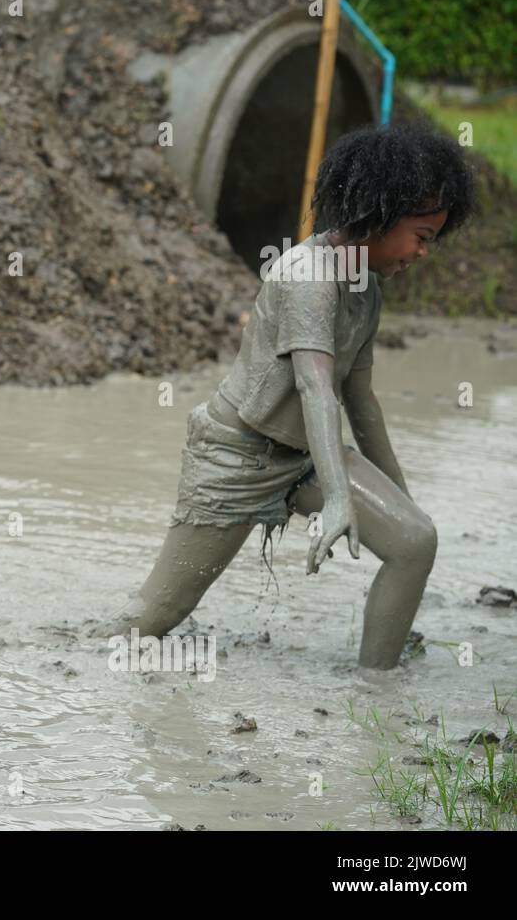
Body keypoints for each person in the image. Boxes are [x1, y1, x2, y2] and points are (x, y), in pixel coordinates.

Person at [101, 123, 475, 670]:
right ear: (378, 214)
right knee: (155, 617)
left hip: (306, 457)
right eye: (421, 235)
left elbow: (360, 397)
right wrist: (341, 499)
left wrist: (397, 492)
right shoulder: (309, 277)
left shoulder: (365, 284)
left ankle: (378, 690)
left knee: (415, 540)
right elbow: (314, 385)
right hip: (237, 456)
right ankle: (78, 677)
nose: (423, 252)